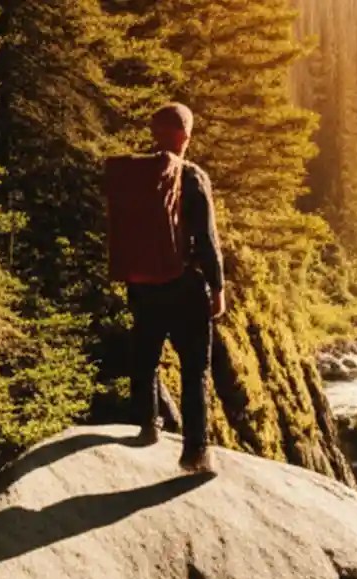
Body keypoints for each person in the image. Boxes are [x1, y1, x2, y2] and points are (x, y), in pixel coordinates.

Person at [126, 103, 226, 472]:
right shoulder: (193, 176)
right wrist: (217, 289)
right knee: (195, 367)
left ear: (155, 133)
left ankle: (147, 425)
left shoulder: (135, 175)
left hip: (144, 284)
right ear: (186, 135)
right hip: (185, 286)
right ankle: (196, 451)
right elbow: (207, 239)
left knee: (146, 357)